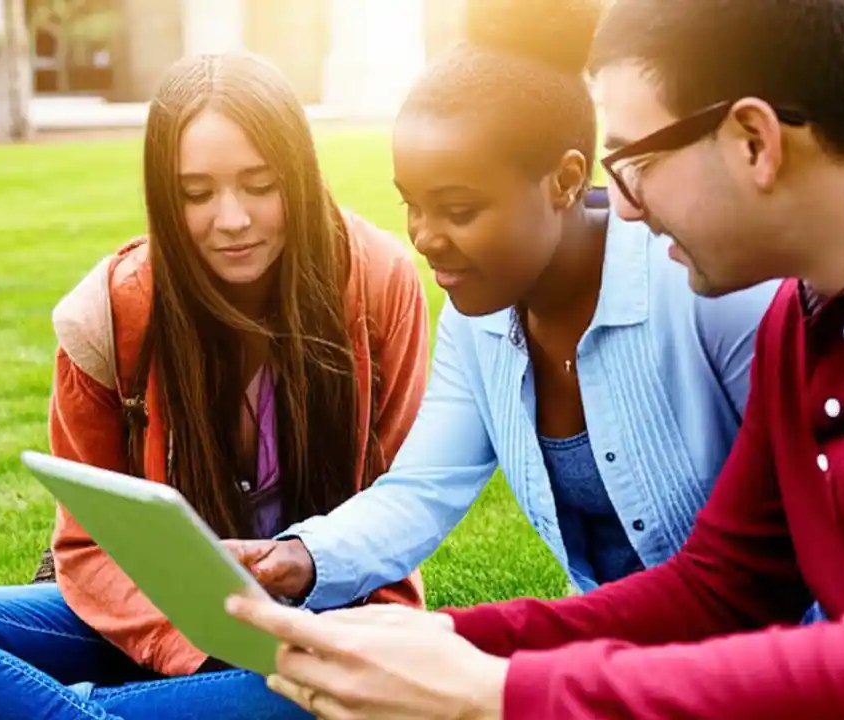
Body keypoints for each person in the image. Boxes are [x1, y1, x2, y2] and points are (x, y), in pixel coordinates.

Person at [228, 0, 844, 718]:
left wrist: (500, 694)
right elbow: (722, 588)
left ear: (755, 141)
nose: (625, 205)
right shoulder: (803, 311)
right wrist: (447, 641)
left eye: (634, 163)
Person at [0, 52, 430, 720]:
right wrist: (200, 647)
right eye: (196, 194)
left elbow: (397, 501)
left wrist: (339, 626)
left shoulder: (377, 284)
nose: (231, 219)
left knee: (346, 698)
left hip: (317, 626)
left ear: (297, 173)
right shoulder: (112, 312)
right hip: (143, 616)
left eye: (259, 185)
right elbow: (87, 546)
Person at [225, 0, 778, 614]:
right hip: (603, 655)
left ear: (565, 181)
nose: (424, 236)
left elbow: (792, 540)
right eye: (413, 204)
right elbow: (421, 490)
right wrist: (299, 557)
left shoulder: (697, 284)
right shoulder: (475, 321)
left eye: (459, 210)